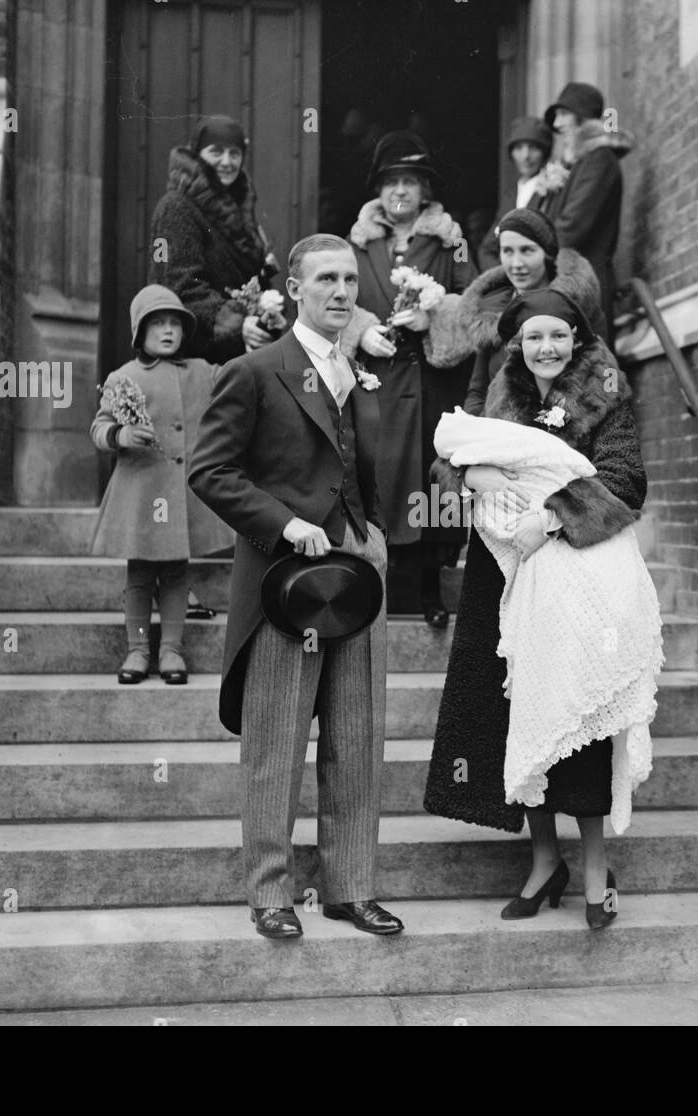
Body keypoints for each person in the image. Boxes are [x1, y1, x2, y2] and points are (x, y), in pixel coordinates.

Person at [188, 233, 402, 942]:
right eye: (327, 281)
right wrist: (283, 525)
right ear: (296, 288)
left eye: (350, 280)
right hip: (286, 582)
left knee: (355, 735)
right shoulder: (254, 371)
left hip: (355, 575)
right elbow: (210, 472)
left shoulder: (360, 371)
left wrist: (370, 534)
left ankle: (350, 887)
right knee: (277, 740)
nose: (343, 292)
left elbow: (361, 468)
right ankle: (270, 893)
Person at [424, 288, 655, 930]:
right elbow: (447, 459)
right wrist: (468, 479)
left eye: (558, 336)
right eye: (533, 339)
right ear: (517, 347)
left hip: (578, 571)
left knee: (575, 710)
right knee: (510, 713)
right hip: (501, 572)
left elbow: (626, 480)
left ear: (577, 340)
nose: (546, 349)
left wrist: (552, 516)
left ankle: (596, 868)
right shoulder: (500, 398)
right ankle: (544, 859)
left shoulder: (603, 397)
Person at [342, 130, 477, 628]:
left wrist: (434, 318)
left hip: (431, 383)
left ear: (425, 191)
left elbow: (475, 296)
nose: (400, 191)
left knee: (429, 482)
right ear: (379, 191)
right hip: (375, 379)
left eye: (410, 182)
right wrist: (360, 332)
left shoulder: (451, 240)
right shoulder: (358, 243)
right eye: (391, 182)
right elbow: (339, 297)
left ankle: (429, 591)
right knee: (378, 476)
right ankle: (375, 588)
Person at [90, 285, 233, 685]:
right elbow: (99, 427)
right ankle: (137, 651)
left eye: (175, 324)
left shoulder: (202, 372)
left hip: (181, 493)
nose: (168, 331)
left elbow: (239, 380)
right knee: (139, 576)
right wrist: (120, 435)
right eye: (158, 324)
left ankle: (171, 650)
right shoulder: (125, 377)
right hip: (141, 490)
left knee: (175, 575)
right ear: (140, 332)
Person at [424, 206, 605, 416]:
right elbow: (477, 390)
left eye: (527, 250)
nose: (516, 263)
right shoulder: (490, 313)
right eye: (508, 251)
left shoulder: (578, 305)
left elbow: (605, 376)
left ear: (546, 253)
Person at [150, 114, 279, 364]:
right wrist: (238, 322)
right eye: (216, 152)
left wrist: (269, 314)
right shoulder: (176, 207)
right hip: (191, 359)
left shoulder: (241, 212)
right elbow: (182, 286)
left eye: (235, 153)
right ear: (198, 154)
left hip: (237, 358)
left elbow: (254, 281)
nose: (227, 162)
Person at [535, 83, 633, 344]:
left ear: (583, 116)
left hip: (586, 285)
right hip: (569, 282)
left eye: (563, 114)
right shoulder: (578, 164)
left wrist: (533, 254)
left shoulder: (599, 160)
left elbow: (571, 227)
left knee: (589, 371)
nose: (557, 123)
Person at [476, 118, 554, 272]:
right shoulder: (510, 197)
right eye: (519, 148)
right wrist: (505, 277)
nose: (526, 156)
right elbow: (487, 249)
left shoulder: (552, 190)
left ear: (544, 152)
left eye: (533, 148)